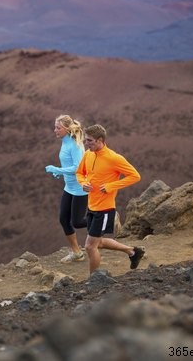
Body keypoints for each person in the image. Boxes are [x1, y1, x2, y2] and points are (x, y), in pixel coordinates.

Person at [76, 124, 145, 274]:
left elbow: (135, 176)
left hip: (105, 209)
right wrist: (83, 183)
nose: (86, 144)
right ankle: (133, 252)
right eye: (85, 140)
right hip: (92, 206)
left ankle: (93, 279)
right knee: (98, 243)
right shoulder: (88, 154)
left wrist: (111, 186)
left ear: (100, 140)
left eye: (89, 141)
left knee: (90, 246)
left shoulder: (114, 158)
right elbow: (80, 173)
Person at [45, 115, 88, 263]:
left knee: (77, 222)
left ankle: (104, 217)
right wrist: (59, 172)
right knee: (64, 219)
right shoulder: (65, 142)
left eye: (58, 127)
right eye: (55, 127)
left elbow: (77, 167)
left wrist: (58, 169)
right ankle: (77, 252)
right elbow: (68, 165)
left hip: (80, 188)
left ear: (67, 129)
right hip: (69, 187)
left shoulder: (74, 145)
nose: (55, 130)